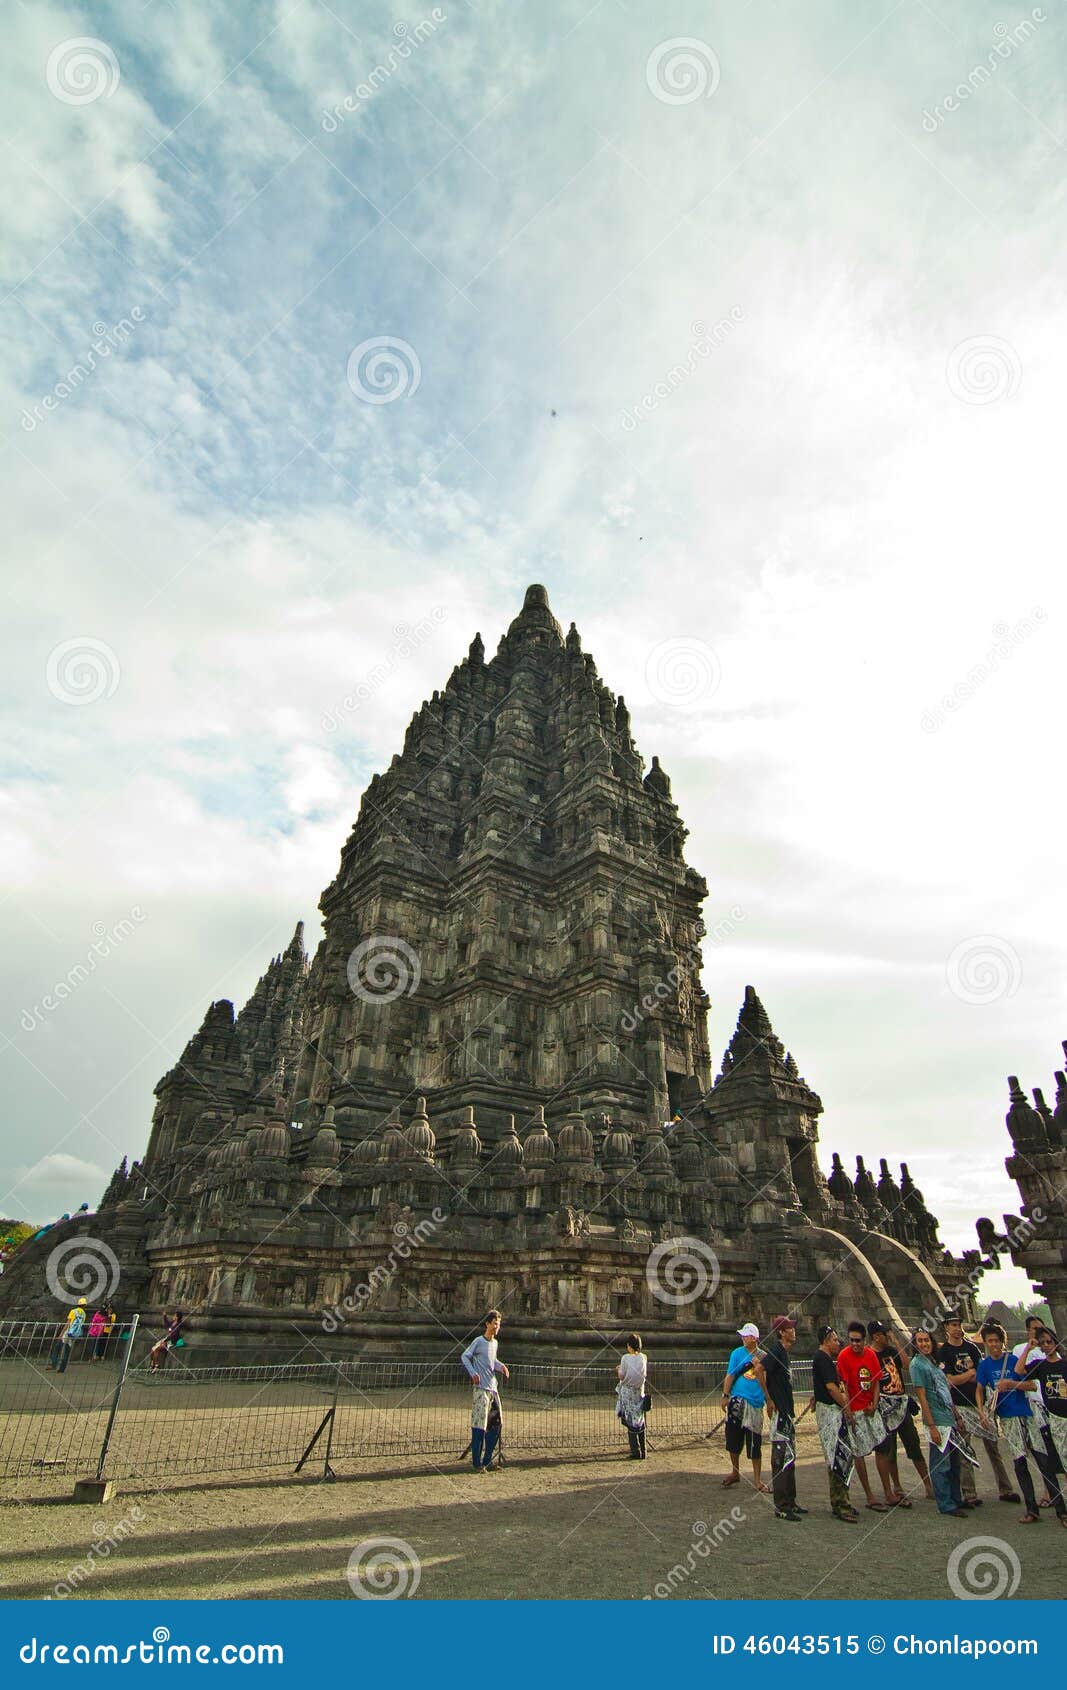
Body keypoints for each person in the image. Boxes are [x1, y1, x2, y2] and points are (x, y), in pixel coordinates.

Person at [937, 1313, 1018, 1503]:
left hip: (978, 1403)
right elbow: (948, 1381)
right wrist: (969, 1373)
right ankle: (970, 1494)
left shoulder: (971, 1348)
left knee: (993, 1447)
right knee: (965, 1451)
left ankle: (1005, 1489)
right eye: (953, 1325)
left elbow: (980, 1377)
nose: (957, 1328)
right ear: (946, 1328)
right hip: (959, 1404)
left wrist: (966, 1376)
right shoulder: (944, 1352)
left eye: (959, 1324)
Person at [975, 1321, 1047, 1523]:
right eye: (990, 1341)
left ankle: (1060, 1506)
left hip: (1025, 1413)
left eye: (997, 1341)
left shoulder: (1014, 1359)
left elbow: (1031, 1385)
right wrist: (982, 1413)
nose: (994, 1345)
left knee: (1043, 1459)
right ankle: (1031, 1509)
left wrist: (1012, 1384)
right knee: (1020, 1463)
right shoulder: (984, 1365)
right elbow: (979, 1390)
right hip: (1007, 1418)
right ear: (986, 1344)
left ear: (1002, 1342)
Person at [868, 1320, 933, 1505]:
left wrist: (896, 1342)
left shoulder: (890, 1351)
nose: (887, 1336)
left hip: (901, 1405)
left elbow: (906, 1365)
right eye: (884, 1333)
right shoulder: (870, 1355)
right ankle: (897, 1487)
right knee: (889, 1451)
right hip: (884, 1408)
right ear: (876, 1336)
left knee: (913, 1444)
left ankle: (928, 1484)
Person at [909, 1328, 969, 1516]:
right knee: (941, 1464)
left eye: (927, 1340)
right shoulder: (917, 1364)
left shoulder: (934, 1362)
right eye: (920, 1341)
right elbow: (922, 1397)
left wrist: (957, 1415)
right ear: (915, 1344)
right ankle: (946, 1504)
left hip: (948, 1418)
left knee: (954, 1463)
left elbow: (945, 1390)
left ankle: (955, 1499)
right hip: (937, 1420)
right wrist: (931, 1425)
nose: (924, 1344)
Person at [1010, 1327, 1067, 1526]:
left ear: (1056, 1342)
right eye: (1043, 1343)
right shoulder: (1040, 1366)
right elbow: (1018, 1371)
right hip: (1052, 1419)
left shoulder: (1065, 1364)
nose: (1047, 1345)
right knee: (1059, 1462)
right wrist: (1028, 1347)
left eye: (1049, 1341)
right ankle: (1063, 1513)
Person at [835, 1321, 890, 1510]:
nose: (855, 1344)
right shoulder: (843, 1356)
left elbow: (875, 1382)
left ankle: (888, 1491)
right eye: (851, 1340)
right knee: (859, 1453)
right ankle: (870, 1496)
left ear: (864, 1340)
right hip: (856, 1410)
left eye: (858, 1340)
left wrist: (875, 1403)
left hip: (870, 1408)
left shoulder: (871, 1355)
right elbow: (844, 1386)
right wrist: (848, 1410)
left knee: (882, 1448)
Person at [811, 1325, 859, 1523]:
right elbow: (831, 1387)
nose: (838, 1343)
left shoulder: (823, 1360)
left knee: (840, 1454)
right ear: (826, 1340)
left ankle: (842, 1500)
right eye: (835, 1340)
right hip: (831, 1413)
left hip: (830, 1410)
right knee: (837, 1455)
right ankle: (840, 1503)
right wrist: (847, 1407)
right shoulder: (823, 1359)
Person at [759, 1315, 804, 1521]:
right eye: (789, 1328)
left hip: (787, 1412)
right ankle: (781, 1506)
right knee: (780, 1458)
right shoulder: (775, 1351)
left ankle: (791, 1501)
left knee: (790, 1458)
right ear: (781, 1332)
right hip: (779, 1413)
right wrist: (768, 1398)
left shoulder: (784, 1353)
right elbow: (759, 1369)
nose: (793, 1331)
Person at [460, 1310, 510, 1473]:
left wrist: (500, 1366)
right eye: (494, 1323)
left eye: (499, 1324)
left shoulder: (494, 1343)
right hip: (481, 1389)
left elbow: (491, 1361)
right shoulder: (478, 1341)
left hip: (493, 1389)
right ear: (487, 1324)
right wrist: (473, 1373)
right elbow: (465, 1356)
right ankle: (476, 1463)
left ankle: (487, 1461)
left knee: (496, 1425)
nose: (497, 1327)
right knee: (479, 1426)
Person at [721, 1322, 767, 1492]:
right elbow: (730, 1375)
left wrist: (769, 1400)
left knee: (755, 1442)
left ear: (754, 1338)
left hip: (755, 1403)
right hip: (737, 1400)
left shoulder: (763, 1357)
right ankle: (735, 1471)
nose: (742, 1338)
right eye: (742, 1335)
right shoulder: (737, 1354)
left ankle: (757, 1480)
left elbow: (765, 1382)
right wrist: (725, 1396)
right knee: (733, 1439)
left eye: (746, 1336)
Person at [616, 1333, 647, 1460]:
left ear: (629, 1346)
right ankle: (643, 1450)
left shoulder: (625, 1358)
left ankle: (635, 1451)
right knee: (640, 1420)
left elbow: (622, 1376)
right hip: (639, 1391)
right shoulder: (643, 1357)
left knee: (630, 1421)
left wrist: (618, 1370)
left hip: (628, 1392)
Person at [49, 1299, 87, 1373]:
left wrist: (61, 1334)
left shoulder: (73, 1311)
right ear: (85, 1305)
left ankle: (54, 1364)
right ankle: (62, 1369)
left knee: (57, 1346)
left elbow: (68, 1323)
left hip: (67, 1332)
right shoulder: (84, 1314)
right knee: (67, 1350)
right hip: (74, 1334)